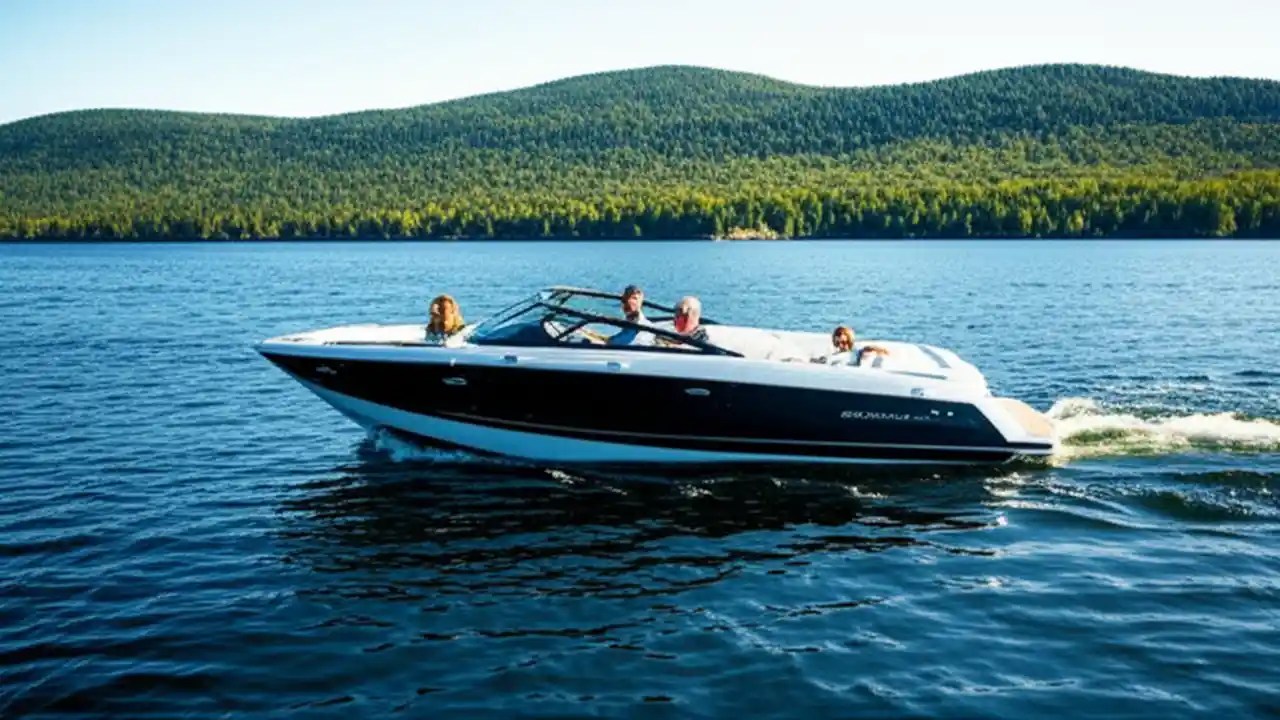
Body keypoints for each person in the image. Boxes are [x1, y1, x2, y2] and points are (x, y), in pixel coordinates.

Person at [814, 325, 889, 365]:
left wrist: (881, 351)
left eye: (843, 342)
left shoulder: (856, 351)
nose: (840, 346)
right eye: (838, 343)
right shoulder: (835, 353)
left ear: (849, 340)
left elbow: (868, 348)